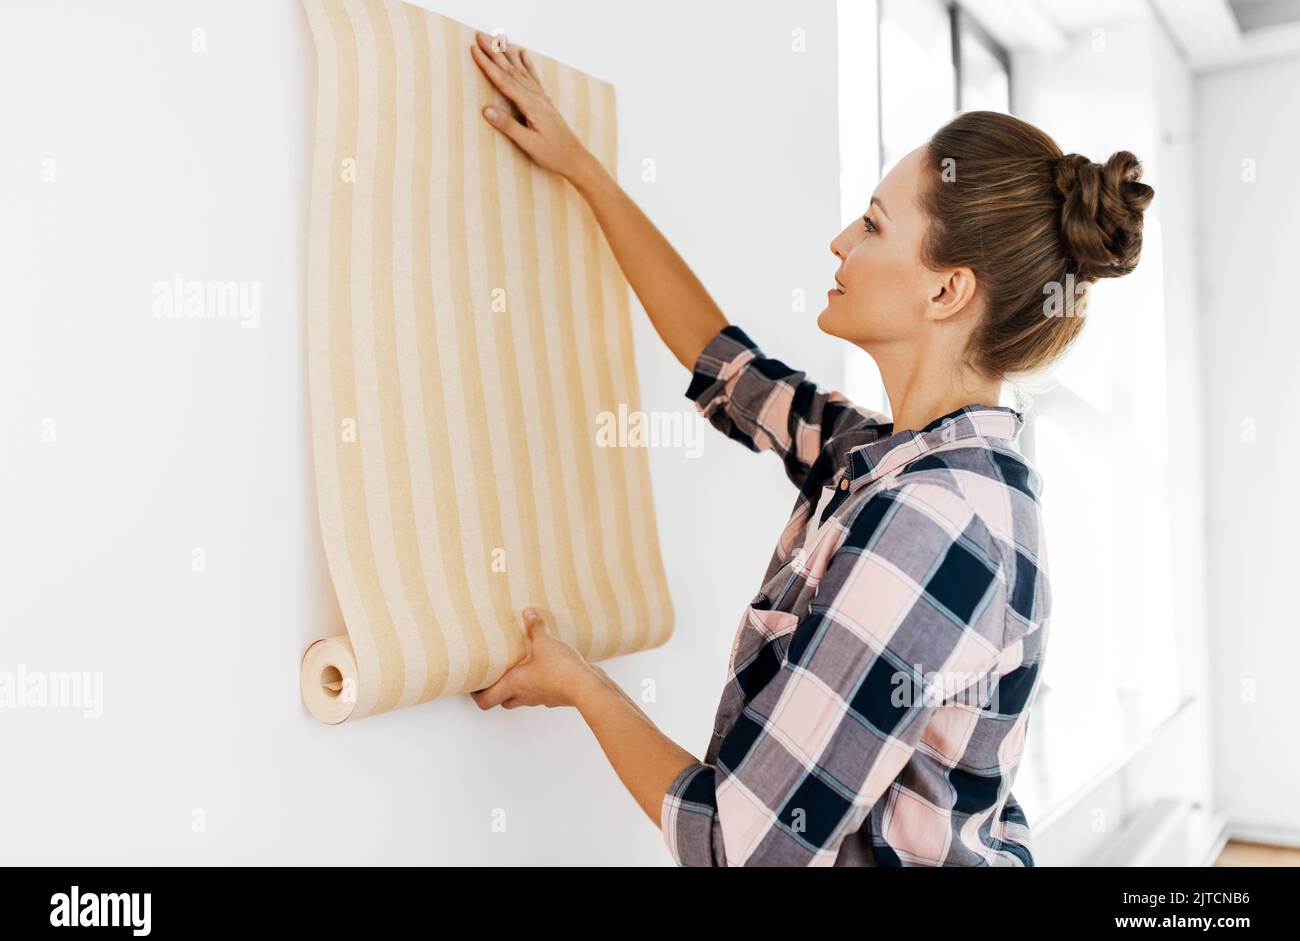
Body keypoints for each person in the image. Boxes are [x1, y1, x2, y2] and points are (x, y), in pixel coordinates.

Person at [467, 30, 1154, 866]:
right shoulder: (896, 462)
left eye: (871, 223)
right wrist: (582, 168)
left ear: (946, 290)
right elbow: (727, 367)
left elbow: (741, 848)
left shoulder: (931, 524)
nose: (839, 242)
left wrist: (581, 683)